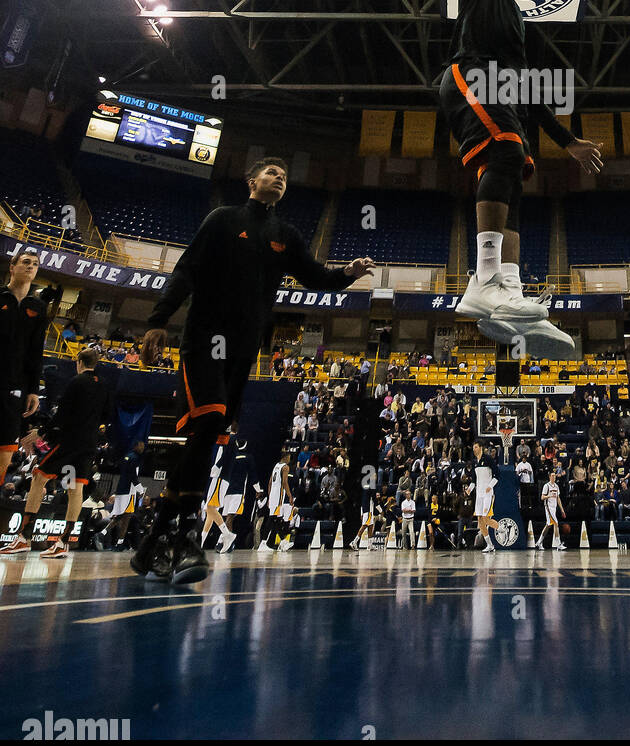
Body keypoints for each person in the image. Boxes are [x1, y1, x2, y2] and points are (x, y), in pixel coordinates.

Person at [132, 158, 374, 585]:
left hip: (244, 352)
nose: (279, 178)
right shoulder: (223, 219)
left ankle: (155, 539)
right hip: (205, 339)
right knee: (207, 421)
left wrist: (347, 275)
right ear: (251, 182)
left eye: (284, 175)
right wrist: (158, 319)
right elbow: (187, 268)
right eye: (271, 173)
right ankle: (184, 536)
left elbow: (314, 277)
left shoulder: (286, 235)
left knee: (208, 435)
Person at [437, 0, 603, 358]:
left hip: (502, 87)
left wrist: (568, 139)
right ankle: (481, 280)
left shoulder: (520, 28)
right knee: (507, 148)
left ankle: (505, 292)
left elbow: (531, 94)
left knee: (516, 186)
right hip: (468, 76)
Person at [0, 349, 108, 559]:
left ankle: (24, 537)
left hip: (70, 442)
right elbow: (107, 414)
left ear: (79, 362)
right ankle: (63, 543)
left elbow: (63, 415)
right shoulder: (104, 386)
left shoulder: (77, 382)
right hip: (89, 443)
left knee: (39, 477)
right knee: (74, 489)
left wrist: (40, 433)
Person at [0, 249, 46, 490]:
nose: (30, 266)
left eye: (35, 264)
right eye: (25, 262)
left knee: (6, 448)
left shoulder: (38, 308)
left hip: (15, 387)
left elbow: (35, 353)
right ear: (12, 266)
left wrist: (33, 390)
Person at [257, 453, 294, 553]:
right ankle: (263, 543)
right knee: (272, 519)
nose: (290, 459)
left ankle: (283, 542)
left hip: (273, 494)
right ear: (285, 457)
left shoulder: (275, 466)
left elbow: (269, 483)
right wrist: (290, 495)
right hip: (278, 495)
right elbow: (285, 482)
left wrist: (269, 497)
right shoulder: (285, 467)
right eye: (289, 457)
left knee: (276, 520)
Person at [472, 439, 501, 553]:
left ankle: (502, 529)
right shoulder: (475, 462)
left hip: (488, 494)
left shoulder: (488, 459)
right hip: (478, 494)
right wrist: (469, 489)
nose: (474, 449)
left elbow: (497, 474)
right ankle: (490, 545)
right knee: (480, 520)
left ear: (481, 448)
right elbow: (474, 480)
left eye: (476, 447)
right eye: (473, 447)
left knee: (486, 518)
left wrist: (490, 485)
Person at [536, 469, 566, 550]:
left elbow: (558, 498)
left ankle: (539, 542)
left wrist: (562, 510)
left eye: (555, 476)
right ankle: (558, 544)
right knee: (556, 523)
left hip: (554, 507)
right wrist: (548, 496)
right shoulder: (546, 486)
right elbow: (542, 497)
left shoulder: (556, 486)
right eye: (552, 476)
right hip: (548, 507)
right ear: (549, 477)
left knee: (548, 525)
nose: (554, 477)